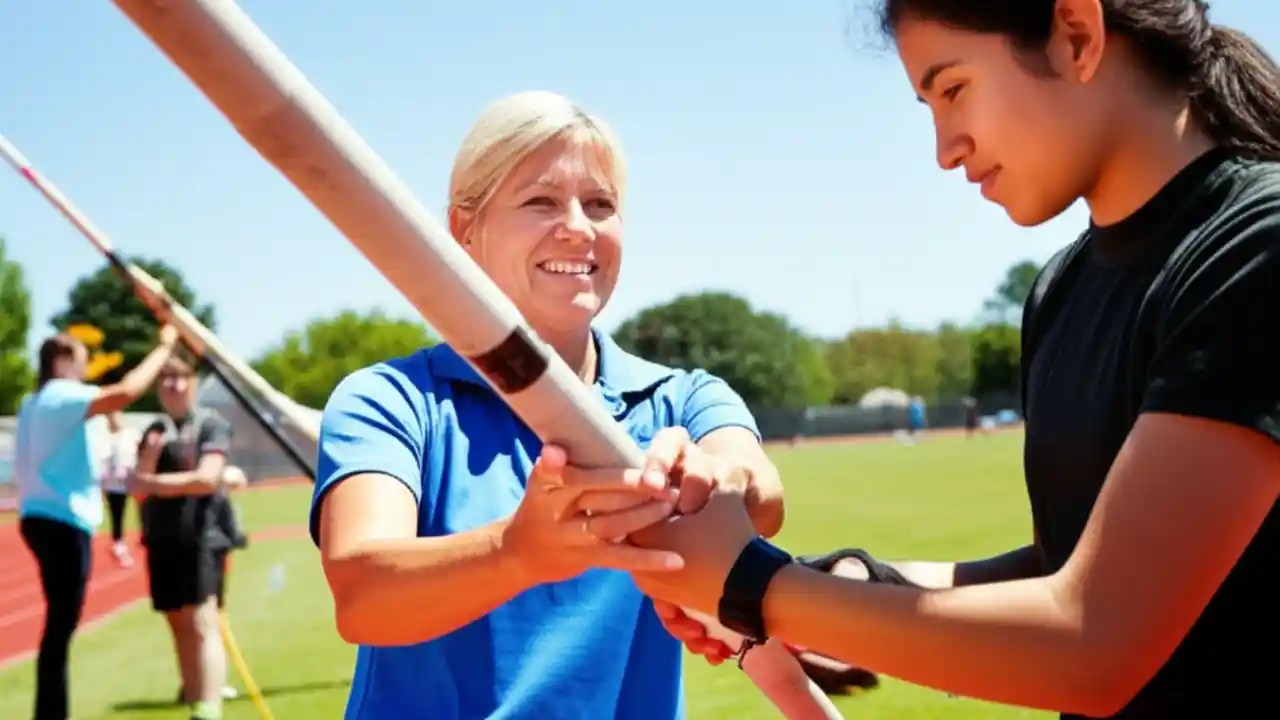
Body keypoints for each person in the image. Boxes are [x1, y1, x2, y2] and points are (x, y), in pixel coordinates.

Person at [617, 2, 1280, 719]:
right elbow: (1068, 567)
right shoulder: (1062, 289)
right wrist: (842, 588)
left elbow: (1096, 642)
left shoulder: (1254, 247)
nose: (944, 149)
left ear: (1078, 36)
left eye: (953, 88)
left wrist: (752, 586)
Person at [309, 90, 853, 719]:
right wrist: (516, 553)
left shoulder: (681, 398)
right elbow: (363, 594)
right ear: (464, 229)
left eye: (601, 204)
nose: (579, 226)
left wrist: (715, 483)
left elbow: (760, 493)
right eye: (540, 201)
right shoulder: (391, 401)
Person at [13, 324, 179, 720]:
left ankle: (51, 711)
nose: (86, 373)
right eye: (82, 363)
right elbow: (124, 393)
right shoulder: (63, 395)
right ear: (62, 362)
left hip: (38, 516)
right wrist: (164, 347)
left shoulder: (33, 401)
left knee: (59, 625)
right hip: (62, 521)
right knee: (60, 628)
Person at [130, 355, 248, 720]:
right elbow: (137, 488)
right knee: (177, 621)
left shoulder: (211, 426)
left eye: (181, 379)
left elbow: (206, 478)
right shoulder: (154, 429)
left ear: (193, 383)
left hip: (202, 536)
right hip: (163, 537)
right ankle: (193, 694)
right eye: (165, 380)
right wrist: (148, 470)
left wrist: (152, 484)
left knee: (202, 620)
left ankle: (209, 706)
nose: (174, 386)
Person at [95, 411, 140, 567]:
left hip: (132, 479)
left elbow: (138, 453)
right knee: (117, 512)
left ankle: (140, 537)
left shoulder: (131, 435)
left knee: (142, 507)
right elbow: (101, 461)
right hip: (114, 484)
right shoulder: (104, 438)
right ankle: (118, 543)